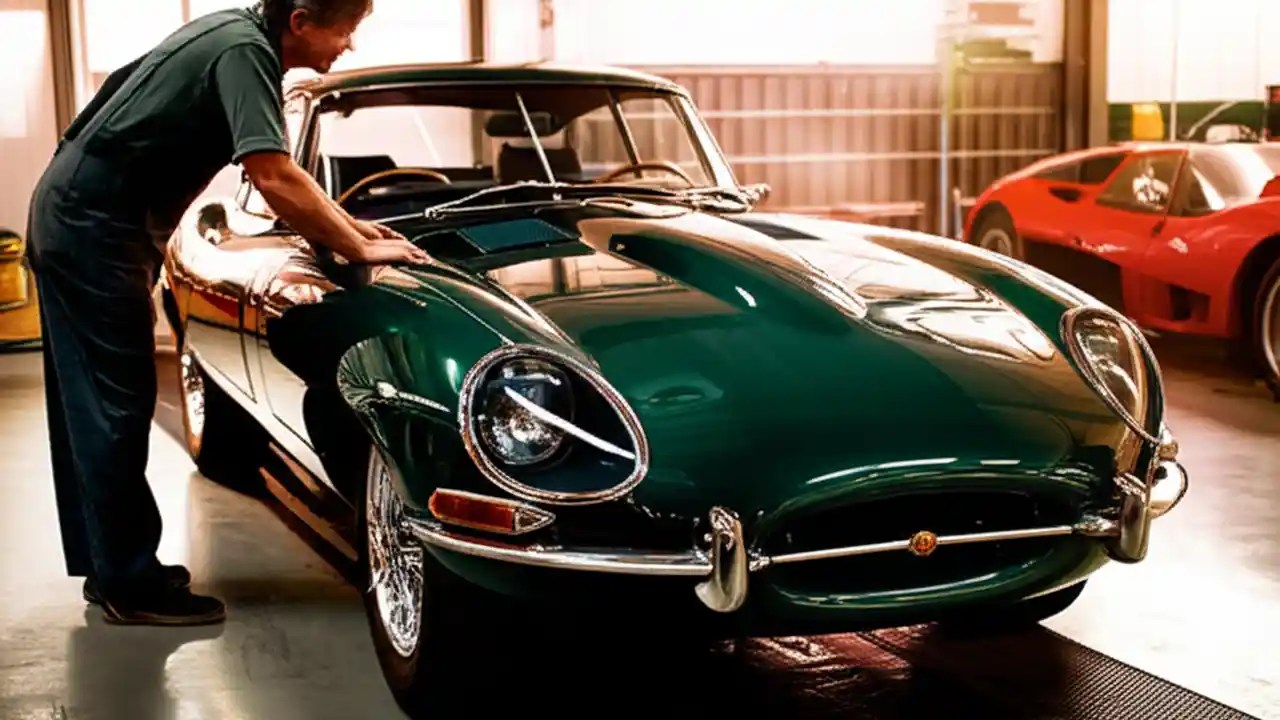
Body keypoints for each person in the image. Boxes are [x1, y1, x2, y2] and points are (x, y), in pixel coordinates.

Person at [24, 0, 430, 627]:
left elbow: (285, 174)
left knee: (98, 402)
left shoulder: (231, 29)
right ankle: (130, 585)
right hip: (93, 224)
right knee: (113, 406)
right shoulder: (246, 53)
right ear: (300, 21)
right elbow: (272, 174)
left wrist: (352, 227)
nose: (348, 45)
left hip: (88, 213)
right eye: (346, 30)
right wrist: (356, 248)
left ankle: (112, 569)